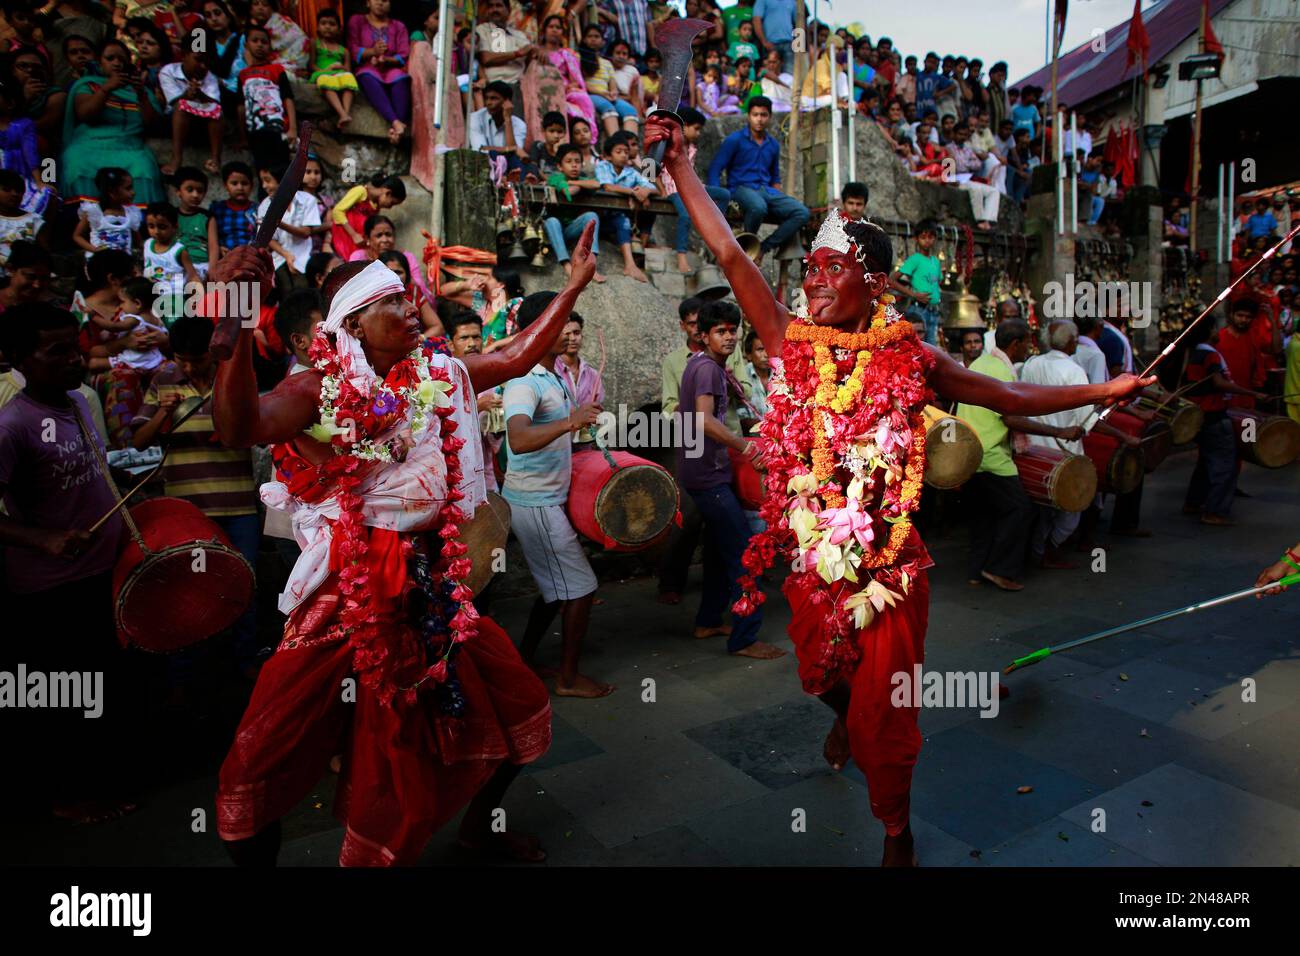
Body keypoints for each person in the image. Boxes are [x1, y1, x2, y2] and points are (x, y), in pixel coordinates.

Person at [650, 109, 1155, 862]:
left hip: (887, 568)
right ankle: (840, 716)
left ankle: (896, 828)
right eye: (809, 268)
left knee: (884, 717)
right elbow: (727, 250)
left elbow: (1006, 399)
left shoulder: (913, 358)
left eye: (833, 268)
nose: (813, 281)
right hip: (814, 558)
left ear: (876, 282)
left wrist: (1098, 393)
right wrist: (683, 166)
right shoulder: (791, 341)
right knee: (823, 678)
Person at [209, 227, 601, 866]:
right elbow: (239, 426)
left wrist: (575, 284)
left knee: (516, 708)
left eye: (409, 295)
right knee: (261, 754)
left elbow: (521, 356)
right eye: (395, 301)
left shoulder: (438, 374)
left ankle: (479, 830)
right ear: (357, 324)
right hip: (350, 585)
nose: (414, 307)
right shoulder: (319, 389)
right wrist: (231, 328)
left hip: (432, 583)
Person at [0, 302, 138, 826]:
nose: (74, 360)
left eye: (74, 348)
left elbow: (97, 474)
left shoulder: (80, 402)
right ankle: (65, 795)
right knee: (63, 696)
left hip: (101, 574)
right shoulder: (12, 425)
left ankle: (98, 781)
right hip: (50, 588)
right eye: (55, 351)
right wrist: (43, 538)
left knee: (101, 688)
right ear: (16, 358)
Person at [502, 289, 611, 698]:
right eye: (557, 322)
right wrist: (570, 423)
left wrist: (580, 424)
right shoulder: (525, 380)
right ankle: (567, 679)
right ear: (537, 331)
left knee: (554, 591)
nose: (566, 330)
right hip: (536, 504)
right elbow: (518, 437)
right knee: (581, 588)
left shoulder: (552, 374)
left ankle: (523, 658)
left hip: (546, 499)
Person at [678, 299, 786, 659]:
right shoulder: (707, 369)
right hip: (708, 476)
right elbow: (702, 420)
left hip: (702, 469)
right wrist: (747, 448)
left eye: (731, 330)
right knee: (745, 555)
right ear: (704, 335)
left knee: (715, 553)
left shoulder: (704, 365)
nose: (727, 337)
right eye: (719, 331)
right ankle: (744, 638)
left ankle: (708, 620)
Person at [1181, 317, 1267, 526]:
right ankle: (1215, 511)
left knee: (1205, 462)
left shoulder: (1194, 351)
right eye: (1215, 328)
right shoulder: (1208, 353)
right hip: (1213, 413)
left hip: (1201, 414)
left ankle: (1193, 502)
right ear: (1209, 331)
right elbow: (1218, 383)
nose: (1218, 332)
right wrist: (1251, 392)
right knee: (1224, 466)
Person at [707, 96, 809, 264]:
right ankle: (746, 246)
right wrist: (717, 198)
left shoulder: (773, 145)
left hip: (766, 191)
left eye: (763, 115)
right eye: (755, 115)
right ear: (749, 116)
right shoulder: (735, 140)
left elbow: (775, 176)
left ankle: (761, 248)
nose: (759, 119)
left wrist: (778, 198)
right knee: (758, 206)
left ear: (769, 116)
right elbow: (715, 169)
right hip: (740, 189)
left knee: (802, 212)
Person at [61, 39, 164, 204]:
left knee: (144, 170)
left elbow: (153, 126)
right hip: (89, 146)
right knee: (77, 166)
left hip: (129, 147)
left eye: (121, 59)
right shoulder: (87, 85)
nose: (116, 63)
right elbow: (86, 115)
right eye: (110, 58)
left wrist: (142, 95)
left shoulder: (140, 89)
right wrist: (107, 88)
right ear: (99, 63)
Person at [159, 27, 223, 177]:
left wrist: (200, 94)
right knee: (182, 106)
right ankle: (176, 158)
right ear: (185, 55)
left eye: (207, 62)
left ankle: (215, 159)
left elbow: (215, 102)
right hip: (174, 121)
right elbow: (174, 102)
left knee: (217, 111)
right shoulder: (168, 71)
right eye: (199, 60)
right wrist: (187, 95)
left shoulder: (210, 76)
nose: (203, 66)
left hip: (202, 123)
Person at [595, 129, 656, 282]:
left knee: (625, 219)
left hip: (620, 219)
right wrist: (632, 192)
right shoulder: (603, 166)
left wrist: (645, 192)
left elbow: (652, 187)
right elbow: (608, 186)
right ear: (609, 155)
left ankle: (632, 263)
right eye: (618, 151)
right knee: (622, 219)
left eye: (626, 152)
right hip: (601, 217)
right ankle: (629, 265)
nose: (623, 155)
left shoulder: (631, 172)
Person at [237, 23, 297, 172]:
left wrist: (293, 129)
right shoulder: (243, 74)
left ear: (270, 46)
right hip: (255, 130)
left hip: (277, 128)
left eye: (264, 42)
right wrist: (243, 136)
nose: (259, 45)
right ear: (246, 45)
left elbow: (288, 98)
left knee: (282, 170)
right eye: (255, 41)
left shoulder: (277, 70)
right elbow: (241, 106)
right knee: (262, 171)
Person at [348, 0, 410, 143]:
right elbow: (352, 48)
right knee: (367, 76)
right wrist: (372, 52)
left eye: (385, 0)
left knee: (400, 79)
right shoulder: (357, 21)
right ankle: (396, 123)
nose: (381, 3)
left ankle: (396, 130)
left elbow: (403, 54)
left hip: (391, 67)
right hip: (368, 67)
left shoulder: (398, 26)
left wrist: (386, 60)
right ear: (367, 3)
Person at [542, 143, 606, 282]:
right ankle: (567, 266)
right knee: (552, 221)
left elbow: (596, 184)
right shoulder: (555, 178)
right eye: (569, 162)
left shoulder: (580, 178)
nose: (574, 165)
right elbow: (568, 192)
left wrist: (574, 182)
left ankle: (590, 262)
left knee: (591, 216)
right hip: (554, 231)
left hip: (571, 229)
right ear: (560, 166)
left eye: (577, 161)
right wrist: (578, 185)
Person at [330, 171, 406, 261]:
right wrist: (353, 234)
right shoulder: (361, 191)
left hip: (358, 241)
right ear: (387, 193)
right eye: (392, 203)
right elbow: (337, 211)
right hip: (346, 237)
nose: (390, 207)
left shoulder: (375, 206)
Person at [72, 166, 141, 259]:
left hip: (123, 262)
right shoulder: (94, 212)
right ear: (112, 192)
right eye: (128, 188)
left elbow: (138, 241)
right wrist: (94, 250)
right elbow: (77, 236)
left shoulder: (131, 213)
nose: (133, 192)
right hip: (100, 262)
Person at [891, 219, 941, 345]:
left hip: (933, 309)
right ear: (916, 239)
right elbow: (891, 279)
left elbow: (936, 284)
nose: (927, 240)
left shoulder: (936, 261)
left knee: (932, 346)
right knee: (918, 344)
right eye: (923, 237)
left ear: (934, 238)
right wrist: (914, 294)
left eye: (930, 237)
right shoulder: (915, 259)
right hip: (919, 309)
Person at [310, 7, 358, 128]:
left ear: (339, 29)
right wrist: (325, 70)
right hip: (323, 72)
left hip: (340, 73)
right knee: (325, 80)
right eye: (323, 23)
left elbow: (348, 69)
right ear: (317, 27)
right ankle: (341, 113)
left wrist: (340, 66)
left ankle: (346, 113)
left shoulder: (344, 50)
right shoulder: (315, 44)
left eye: (332, 24)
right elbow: (311, 65)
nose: (327, 27)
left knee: (349, 79)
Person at [468, 79, 529, 172]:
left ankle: (517, 185)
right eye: (486, 98)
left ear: (507, 101)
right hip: (484, 165)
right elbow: (480, 150)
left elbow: (514, 154)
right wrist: (509, 149)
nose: (488, 102)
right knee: (493, 154)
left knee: (524, 163)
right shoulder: (475, 118)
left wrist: (508, 120)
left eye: (494, 98)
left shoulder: (519, 125)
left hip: (509, 166)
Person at [208, 160, 258, 264]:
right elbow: (210, 236)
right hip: (225, 258)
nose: (240, 188)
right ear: (226, 186)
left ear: (252, 186)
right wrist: (219, 247)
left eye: (244, 183)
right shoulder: (217, 209)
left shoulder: (257, 209)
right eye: (234, 183)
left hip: (251, 258)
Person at [751, 0, 796, 73]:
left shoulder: (792, 1)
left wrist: (798, 45)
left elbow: (798, 23)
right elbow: (756, 20)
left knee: (789, 75)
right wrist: (764, 41)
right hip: (770, 44)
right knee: (770, 75)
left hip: (789, 44)